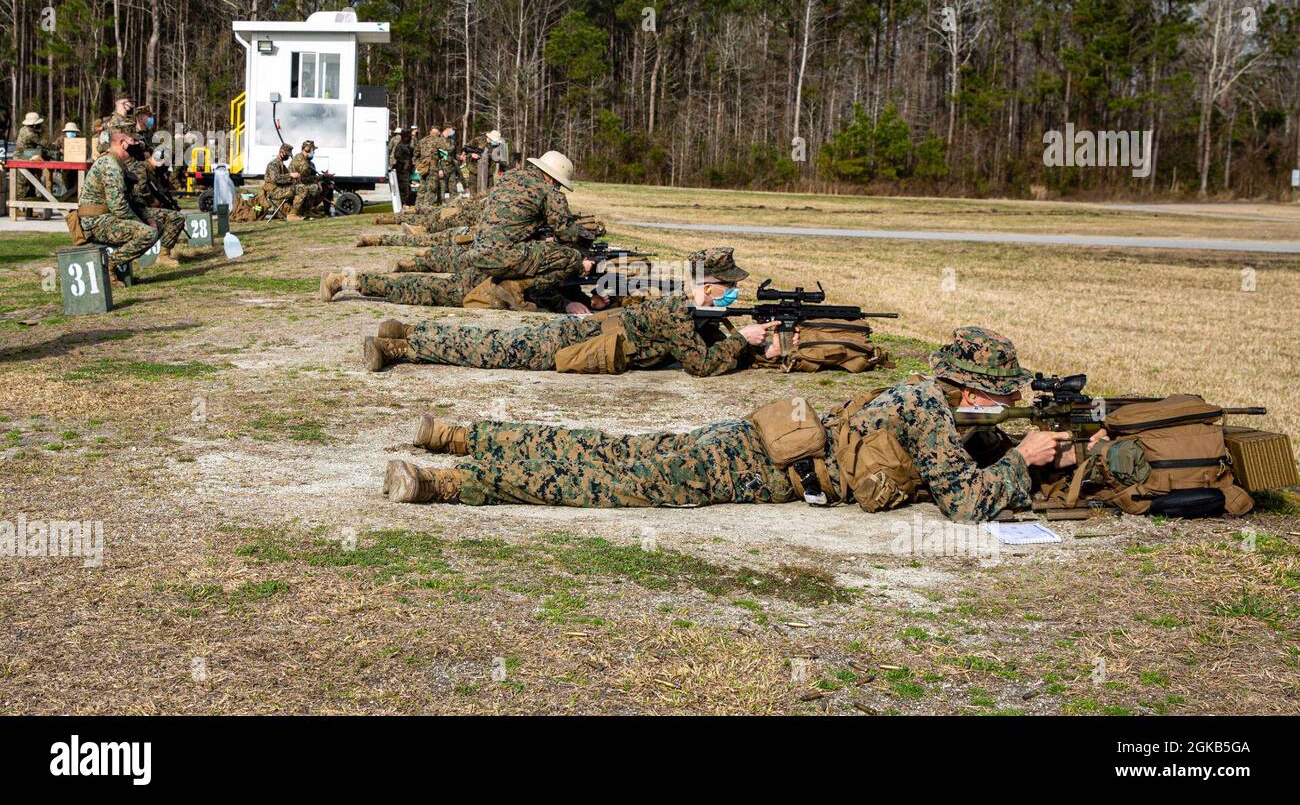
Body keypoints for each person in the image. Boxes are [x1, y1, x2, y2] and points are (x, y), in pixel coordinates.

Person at [381, 326, 1088, 523]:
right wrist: (1021, 460)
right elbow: (965, 502)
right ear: (968, 386)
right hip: (758, 467)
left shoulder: (922, 395)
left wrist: (1005, 442)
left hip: (754, 438)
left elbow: (950, 464)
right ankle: (446, 484)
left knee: (611, 451)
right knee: (608, 485)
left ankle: (461, 435)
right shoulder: (934, 410)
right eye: (992, 397)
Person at [360, 247, 781, 375]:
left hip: (586, 332)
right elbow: (701, 366)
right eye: (728, 288)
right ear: (710, 285)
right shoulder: (678, 310)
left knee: (492, 344)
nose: (732, 294)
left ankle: (410, 331)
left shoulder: (687, 305)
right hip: (577, 341)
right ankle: (403, 346)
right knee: (490, 350)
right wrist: (743, 341)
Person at [459, 149, 595, 310]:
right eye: (559, 184)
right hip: (503, 256)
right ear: (552, 178)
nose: (558, 187)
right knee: (571, 258)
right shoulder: (549, 191)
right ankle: (515, 288)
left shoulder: (509, 177)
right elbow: (568, 235)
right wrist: (581, 264)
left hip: (477, 252)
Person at [77, 131, 183, 282]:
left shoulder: (119, 163)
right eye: (133, 140)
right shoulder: (110, 165)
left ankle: (121, 270)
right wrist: (141, 222)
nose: (137, 144)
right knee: (147, 233)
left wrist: (147, 217)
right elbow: (119, 206)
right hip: (95, 221)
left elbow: (132, 199)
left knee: (155, 226)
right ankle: (109, 266)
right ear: (123, 144)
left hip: (107, 216)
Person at [287, 140, 324, 219]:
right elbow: (305, 179)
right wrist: (319, 178)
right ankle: (293, 214)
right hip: (293, 184)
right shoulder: (302, 163)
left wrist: (320, 178)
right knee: (314, 187)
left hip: (300, 182)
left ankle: (307, 210)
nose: (313, 152)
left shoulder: (307, 161)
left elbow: (310, 176)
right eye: (313, 150)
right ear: (307, 149)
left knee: (315, 186)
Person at [392, 128, 415, 206]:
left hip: (407, 171)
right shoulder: (400, 146)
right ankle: (402, 205)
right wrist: (404, 162)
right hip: (402, 171)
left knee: (407, 189)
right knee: (404, 190)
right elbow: (397, 156)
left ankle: (405, 204)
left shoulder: (407, 145)